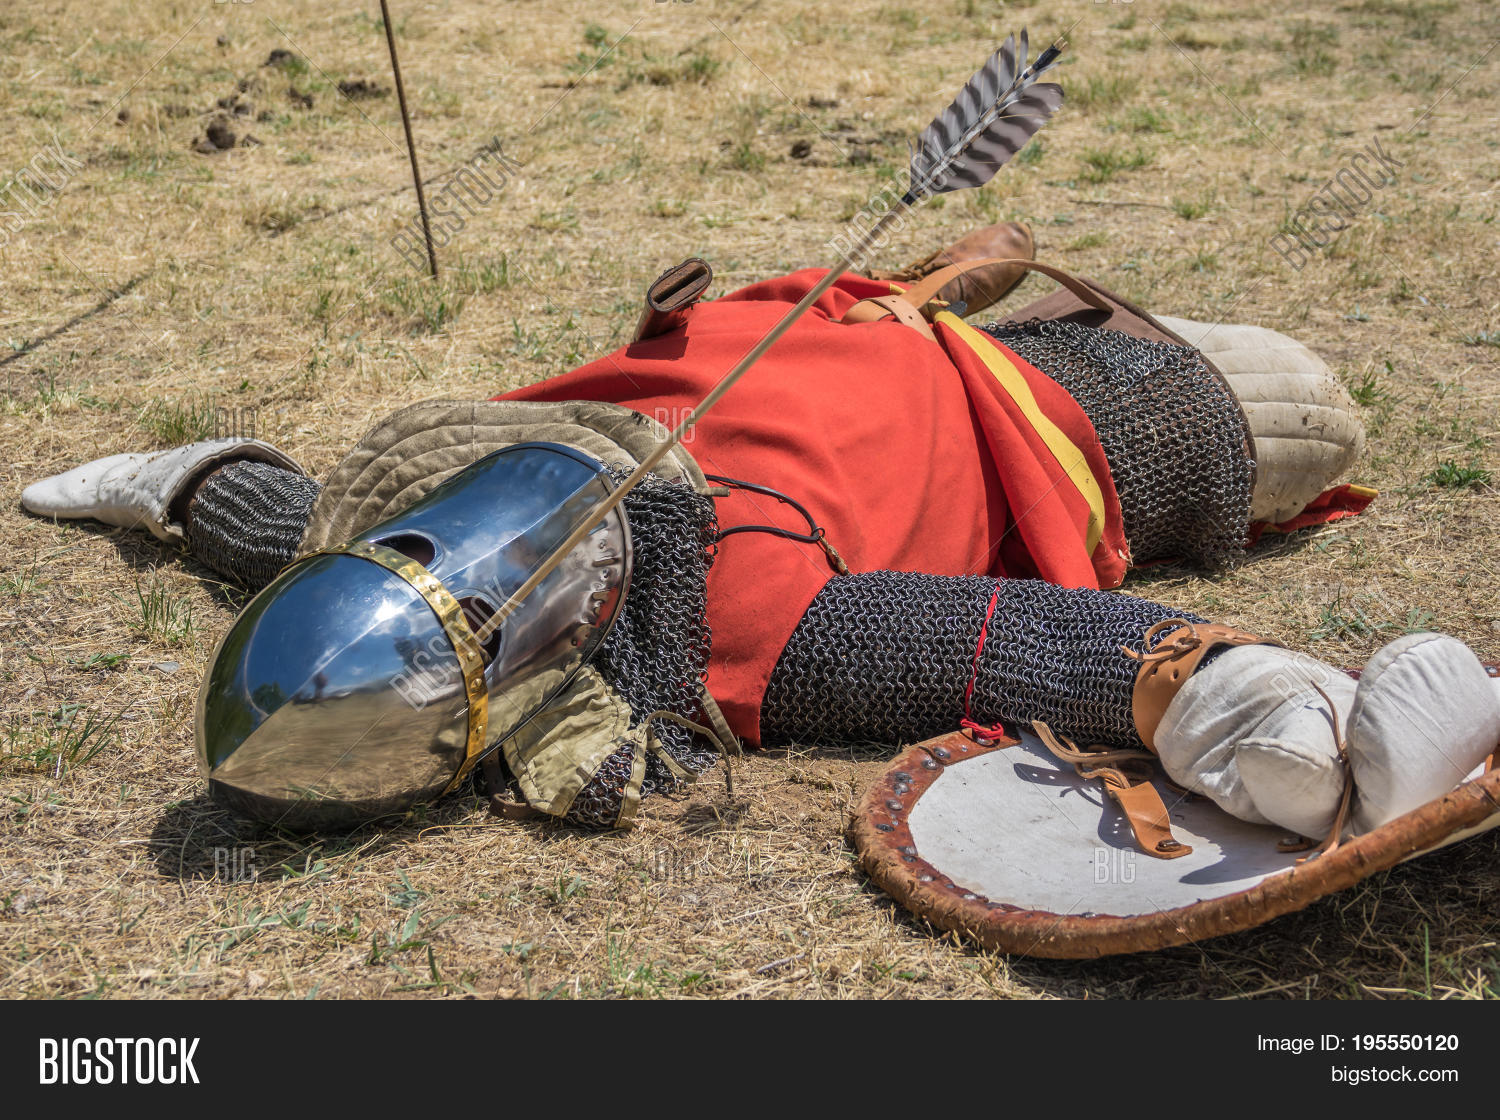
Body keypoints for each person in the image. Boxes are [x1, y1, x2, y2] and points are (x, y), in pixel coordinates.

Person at [21, 223, 1499, 851]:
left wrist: (177, 478)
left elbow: (273, 519)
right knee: (1310, 427)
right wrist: (1244, 701)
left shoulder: (422, 507)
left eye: (426, 548)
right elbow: (1019, 642)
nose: (456, 554)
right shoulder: (747, 633)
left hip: (904, 322)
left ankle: (919, 288)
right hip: (1128, 407)